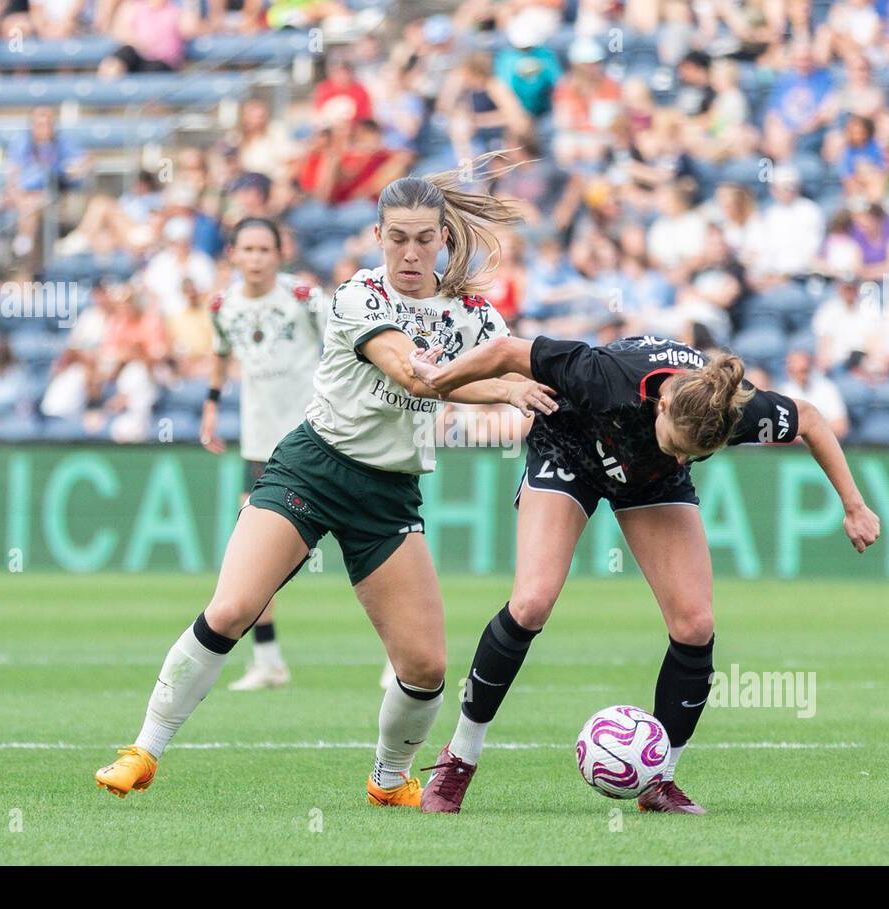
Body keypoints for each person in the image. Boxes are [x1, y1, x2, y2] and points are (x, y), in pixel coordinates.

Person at [94, 157, 559, 808]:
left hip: (389, 490)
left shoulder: (471, 313)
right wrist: (503, 384)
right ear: (377, 236)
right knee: (232, 608)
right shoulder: (359, 295)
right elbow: (412, 372)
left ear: (444, 238)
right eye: (396, 237)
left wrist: (519, 380)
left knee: (425, 667)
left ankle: (389, 780)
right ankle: (142, 749)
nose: (409, 251)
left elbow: (494, 363)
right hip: (313, 466)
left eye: (424, 238)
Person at [405, 333, 880, 813]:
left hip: (649, 481)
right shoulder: (602, 376)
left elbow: (811, 420)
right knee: (531, 602)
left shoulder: (734, 411)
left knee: (695, 624)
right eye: (677, 444)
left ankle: (659, 779)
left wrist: (854, 505)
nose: (682, 458)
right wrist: (438, 379)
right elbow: (508, 351)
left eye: (693, 455)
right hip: (570, 448)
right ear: (664, 402)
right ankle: (458, 760)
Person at [199, 217, 327, 692]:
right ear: (233, 253)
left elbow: (348, 343)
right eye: (247, 249)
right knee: (253, 557)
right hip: (258, 447)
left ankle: (396, 659)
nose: (255, 258)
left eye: (264, 249)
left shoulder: (304, 298)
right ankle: (268, 659)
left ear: (279, 253)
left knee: (362, 550)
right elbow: (219, 353)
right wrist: (210, 407)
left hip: (314, 438)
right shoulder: (223, 306)